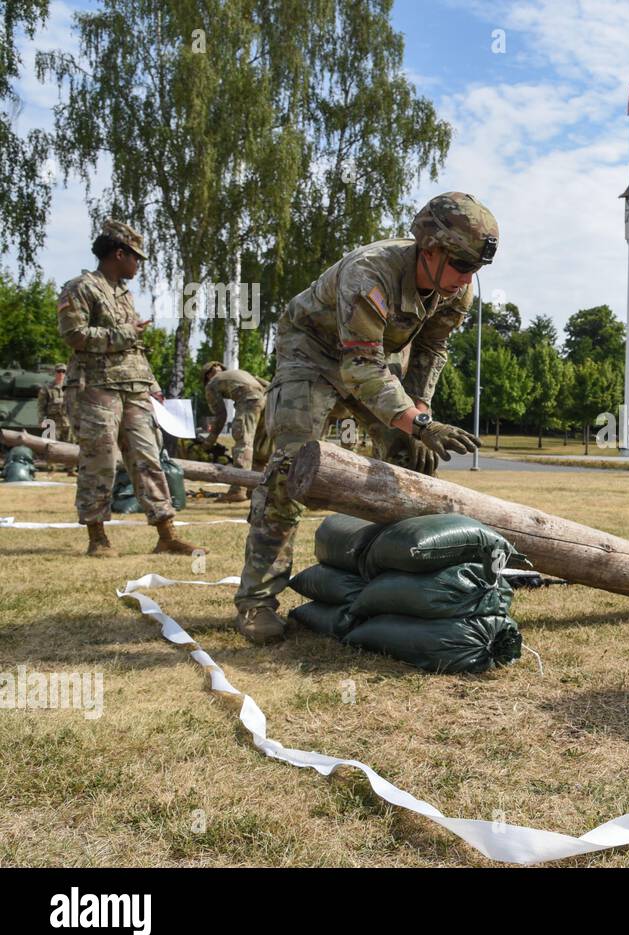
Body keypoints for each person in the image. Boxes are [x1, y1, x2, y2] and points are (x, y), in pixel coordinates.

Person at [233, 192, 494, 644]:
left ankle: (395, 580)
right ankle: (257, 601)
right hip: (312, 354)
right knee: (290, 469)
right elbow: (360, 367)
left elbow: (431, 350)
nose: (466, 279)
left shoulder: (458, 288)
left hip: (374, 359)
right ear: (429, 248)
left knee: (412, 458)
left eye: (474, 269)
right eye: (461, 265)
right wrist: (419, 422)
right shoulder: (369, 272)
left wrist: (420, 415)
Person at [57, 220, 204, 559]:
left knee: (148, 458)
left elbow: (134, 348)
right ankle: (98, 537)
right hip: (96, 388)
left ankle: (166, 534)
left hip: (134, 388)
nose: (138, 264)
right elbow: (74, 335)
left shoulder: (123, 294)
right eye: (135, 257)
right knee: (100, 461)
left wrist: (152, 386)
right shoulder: (81, 287)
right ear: (118, 254)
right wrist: (125, 332)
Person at [201, 360, 271, 502]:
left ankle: (238, 489)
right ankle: (255, 488)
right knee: (259, 448)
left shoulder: (212, 384)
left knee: (243, 444)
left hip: (249, 401)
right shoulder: (241, 373)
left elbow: (221, 415)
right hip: (267, 402)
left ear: (207, 375)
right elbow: (269, 385)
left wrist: (210, 440)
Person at [37, 364, 71, 442]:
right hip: (53, 424)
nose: (61, 373)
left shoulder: (70, 388)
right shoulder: (47, 388)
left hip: (68, 424)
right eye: (59, 371)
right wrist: (41, 420)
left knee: (69, 448)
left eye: (63, 371)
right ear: (55, 373)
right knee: (52, 447)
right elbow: (41, 406)